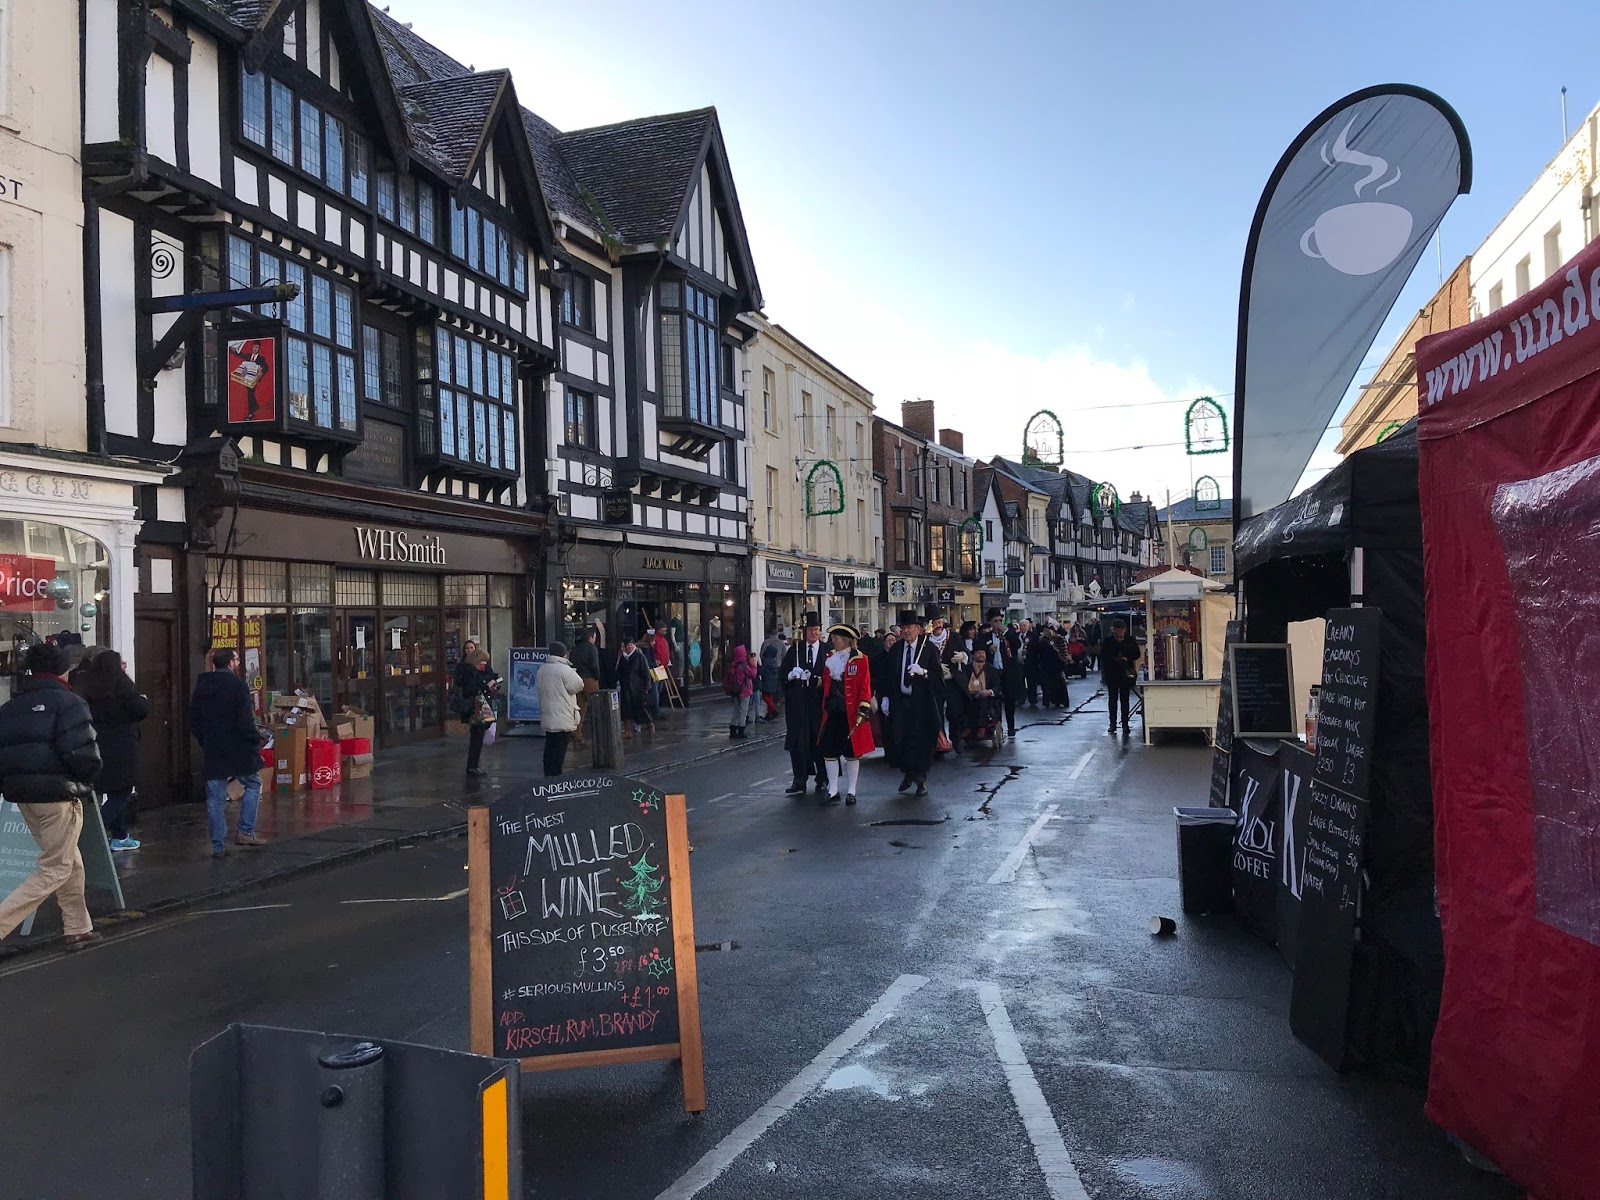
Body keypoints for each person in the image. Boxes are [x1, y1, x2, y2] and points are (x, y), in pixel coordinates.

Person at [0, 643, 104, 948]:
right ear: (63, 670)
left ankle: (78, 926)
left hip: (23, 796)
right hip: (59, 795)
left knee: (70, 861)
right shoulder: (69, 702)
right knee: (55, 868)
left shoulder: (10, 706)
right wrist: (89, 779)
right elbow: (83, 753)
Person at [189, 648, 268, 857]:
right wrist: (254, 739)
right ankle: (245, 831)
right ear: (231, 663)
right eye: (236, 659)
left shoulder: (202, 686)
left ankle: (218, 845)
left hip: (213, 747)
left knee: (215, 798)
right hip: (238, 747)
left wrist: (204, 740)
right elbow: (244, 719)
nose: (238, 662)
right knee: (253, 783)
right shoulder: (237, 685)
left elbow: (194, 719)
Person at [74, 650, 150, 851]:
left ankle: (120, 835)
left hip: (96, 745)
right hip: (123, 748)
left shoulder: (87, 686)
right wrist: (142, 698)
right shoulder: (123, 687)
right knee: (121, 793)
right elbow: (141, 710)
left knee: (110, 789)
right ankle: (90, 836)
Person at [817, 623, 875, 805]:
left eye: (836, 638)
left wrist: (864, 707)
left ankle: (851, 791)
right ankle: (833, 789)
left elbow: (865, 686)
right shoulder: (830, 658)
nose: (832, 640)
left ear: (846, 640)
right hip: (832, 711)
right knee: (829, 750)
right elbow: (825, 683)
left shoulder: (860, 659)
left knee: (852, 752)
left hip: (850, 713)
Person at [886, 610, 942, 796]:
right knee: (901, 739)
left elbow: (938, 679)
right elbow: (889, 676)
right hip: (901, 702)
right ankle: (908, 772)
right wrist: (886, 697)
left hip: (922, 703)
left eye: (909, 627)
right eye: (903, 628)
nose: (906, 631)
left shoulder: (929, 649)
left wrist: (923, 672)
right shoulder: (896, 649)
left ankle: (921, 778)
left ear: (918, 629)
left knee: (921, 741)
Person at [781, 613, 827, 795]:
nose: (813, 633)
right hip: (798, 706)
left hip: (818, 706)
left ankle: (822, 779)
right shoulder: (796, 650)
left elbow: (833, 676)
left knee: (820, 743)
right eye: (810, 630)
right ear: (804, 632)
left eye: (816, 630)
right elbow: (783, 674)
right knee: (798, 744)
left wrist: (817, 680)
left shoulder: (827, 650)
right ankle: (799, 780)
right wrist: (790, 676)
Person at [535, 641, 584, 777]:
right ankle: (556, 775)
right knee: (560, 747)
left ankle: (548, 773)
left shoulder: (542, 669)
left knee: (550, 744)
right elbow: (577, 685)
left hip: (548, 712)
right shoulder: (565, 669)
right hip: (563, 714)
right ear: (564, 653)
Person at [452, 648, 501, 775]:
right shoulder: (469, 671)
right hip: (475, 707)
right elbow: (471, 690)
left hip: (477, 706)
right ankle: (472, 766)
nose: (485, 663)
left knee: (478, 735)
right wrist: (486, 686)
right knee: (477, 735)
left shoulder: (473, 671)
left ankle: (473, 765)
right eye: (483, 661)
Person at [1102, 618, 1142, 735]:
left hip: (1125, 674)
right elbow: (1104, 657)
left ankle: (1125, 723)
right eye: (1118, 630)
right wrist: (1116, 659)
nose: (1121, 632)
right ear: (1114, 630)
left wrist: (1127, 657)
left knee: (1125, 700)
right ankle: (1112, 724)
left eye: (1122, 630)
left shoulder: (1129, 640)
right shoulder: (1108, 641)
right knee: (1112, 699)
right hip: (1112, 674)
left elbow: (1136, 654)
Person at [615, 635, 655, 736]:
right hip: (626, 688)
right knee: (626, 711)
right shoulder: (622, 658)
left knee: (642, 708)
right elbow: (618, 672)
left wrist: (647, 686)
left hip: (638, 688)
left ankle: (650, 724)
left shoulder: (639, 656)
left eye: (631, 645)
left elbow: (646, 673)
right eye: (628, 645)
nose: (630, 647)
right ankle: (628, 731)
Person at [568, 628, 601, 747]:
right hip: (589, 679)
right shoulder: (592, 649)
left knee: (579, 709)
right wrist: (597, 677)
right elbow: (594, 665)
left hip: (576, 679)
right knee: (597, 708)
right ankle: (601, 735)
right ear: (591, 637)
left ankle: (577, 734)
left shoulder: (574, 650)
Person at [961, 647, 1002, 742]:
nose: (981, 655)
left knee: (982, 700)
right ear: (973, 655)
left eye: (982, 653)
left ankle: (982, 728)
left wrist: (990, 691)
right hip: (969, 695)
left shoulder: (992, 670)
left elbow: (997, 686)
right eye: (978, 653)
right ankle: (967, 727)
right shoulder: (966, 669)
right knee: (966, 701)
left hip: (986, 696)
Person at [723, 644, 757, 738]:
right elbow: (753, 674)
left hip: (735, 691)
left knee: (736, 711)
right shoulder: (744, 666)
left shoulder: (733, 665)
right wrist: (754, 665)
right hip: (744, 691)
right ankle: (741, 730)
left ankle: (733, 730)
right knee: (743, 711)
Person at [757, 631, 785, 721]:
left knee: (766, 696)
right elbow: (784, 655)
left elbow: (761, 654)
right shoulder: (781, 643)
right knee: (770, 696)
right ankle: (769, 713)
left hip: (767, 679)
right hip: (777, 669)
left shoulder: (766, 643)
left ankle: (773, 710)